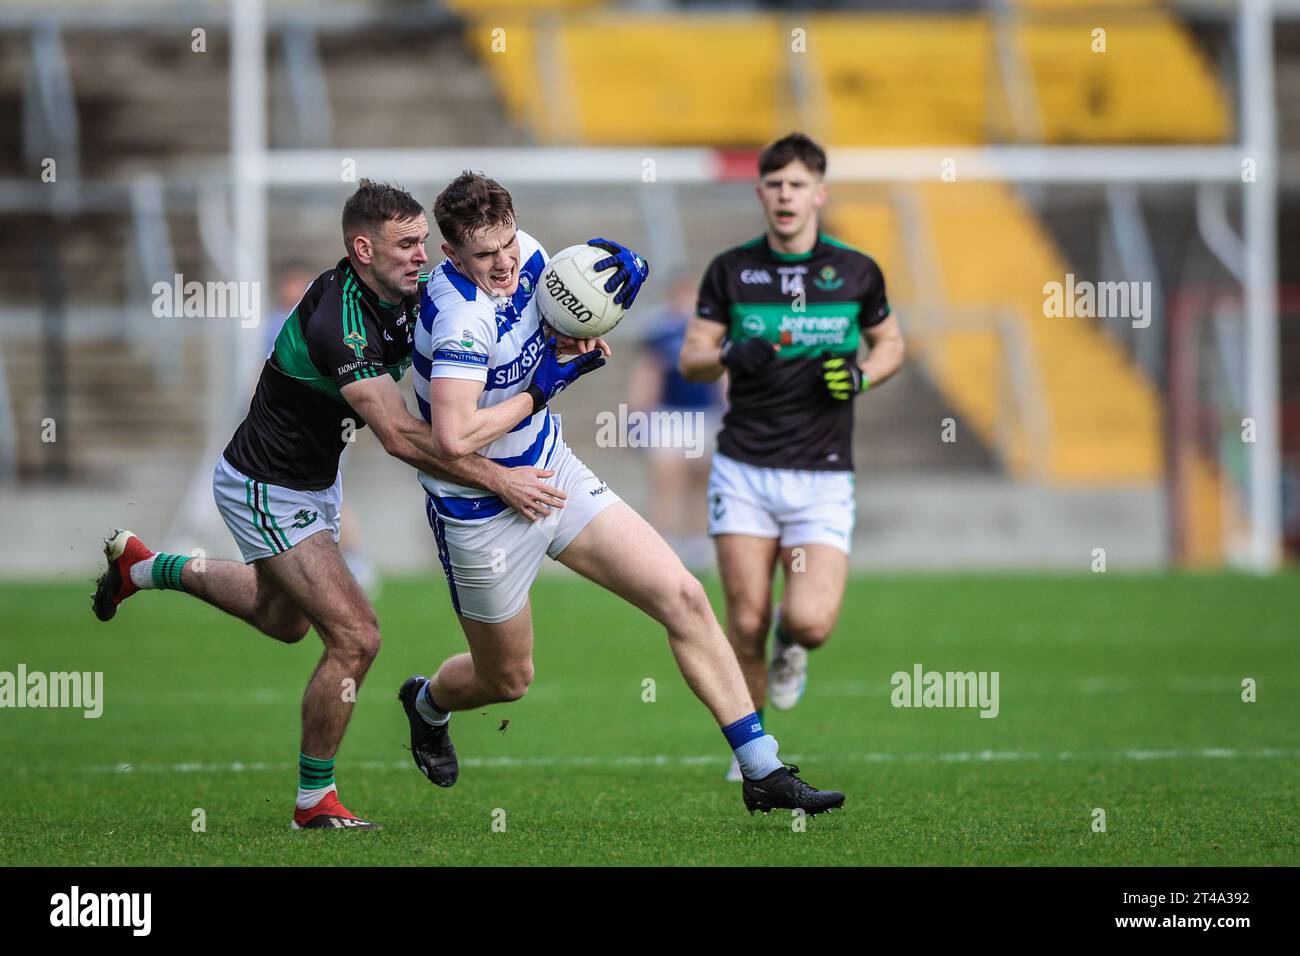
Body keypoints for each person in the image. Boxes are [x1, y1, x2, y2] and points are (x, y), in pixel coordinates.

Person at [92, 180, 567, 829]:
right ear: (363, 249)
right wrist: (502, 477)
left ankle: (144, 568)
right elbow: (399, 437)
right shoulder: (339, 325)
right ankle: (314, 800)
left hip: (315, 482)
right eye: (406, 244)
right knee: (355, 636)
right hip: (266, 485)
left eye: (423, 241)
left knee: (283, 620)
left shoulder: (408, 290)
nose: (420, 255)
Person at [396, 171, 844, 816]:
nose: (504, 263)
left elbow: (559, 326)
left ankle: (761, 768)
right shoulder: (460, 316)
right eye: (484, 254)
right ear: (451, 253)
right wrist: (545, 385)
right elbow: (453, 435)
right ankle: (426, 703)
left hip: (552, 473)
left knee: (683, 597)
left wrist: (602, 303)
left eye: (508, 244)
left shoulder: (535, 258)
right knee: (507, 680)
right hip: (480, 509)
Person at [677, 133, 906, 781]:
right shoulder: (730, 270)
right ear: (760, 193)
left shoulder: (856, 271)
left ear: (819, 194)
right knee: (745, 619)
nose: (785, 195)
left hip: (823, 474)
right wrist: (728, 354)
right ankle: (755, 754)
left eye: (797, 184)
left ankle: (792, 644)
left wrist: (860, 377)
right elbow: (692, 357)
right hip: (744, 470)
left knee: (809, 621)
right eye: (774, 184)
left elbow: (891, 344)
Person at [625, 271, 725, 569]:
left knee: (700, 480)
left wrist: (730, 411)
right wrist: (637, 414)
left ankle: (696, 543)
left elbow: (724, 375)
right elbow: (648, 373)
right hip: (668, 415)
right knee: (667, 479)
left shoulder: (714, 333)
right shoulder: (661, 332)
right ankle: (665, 540)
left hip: (705, 415)